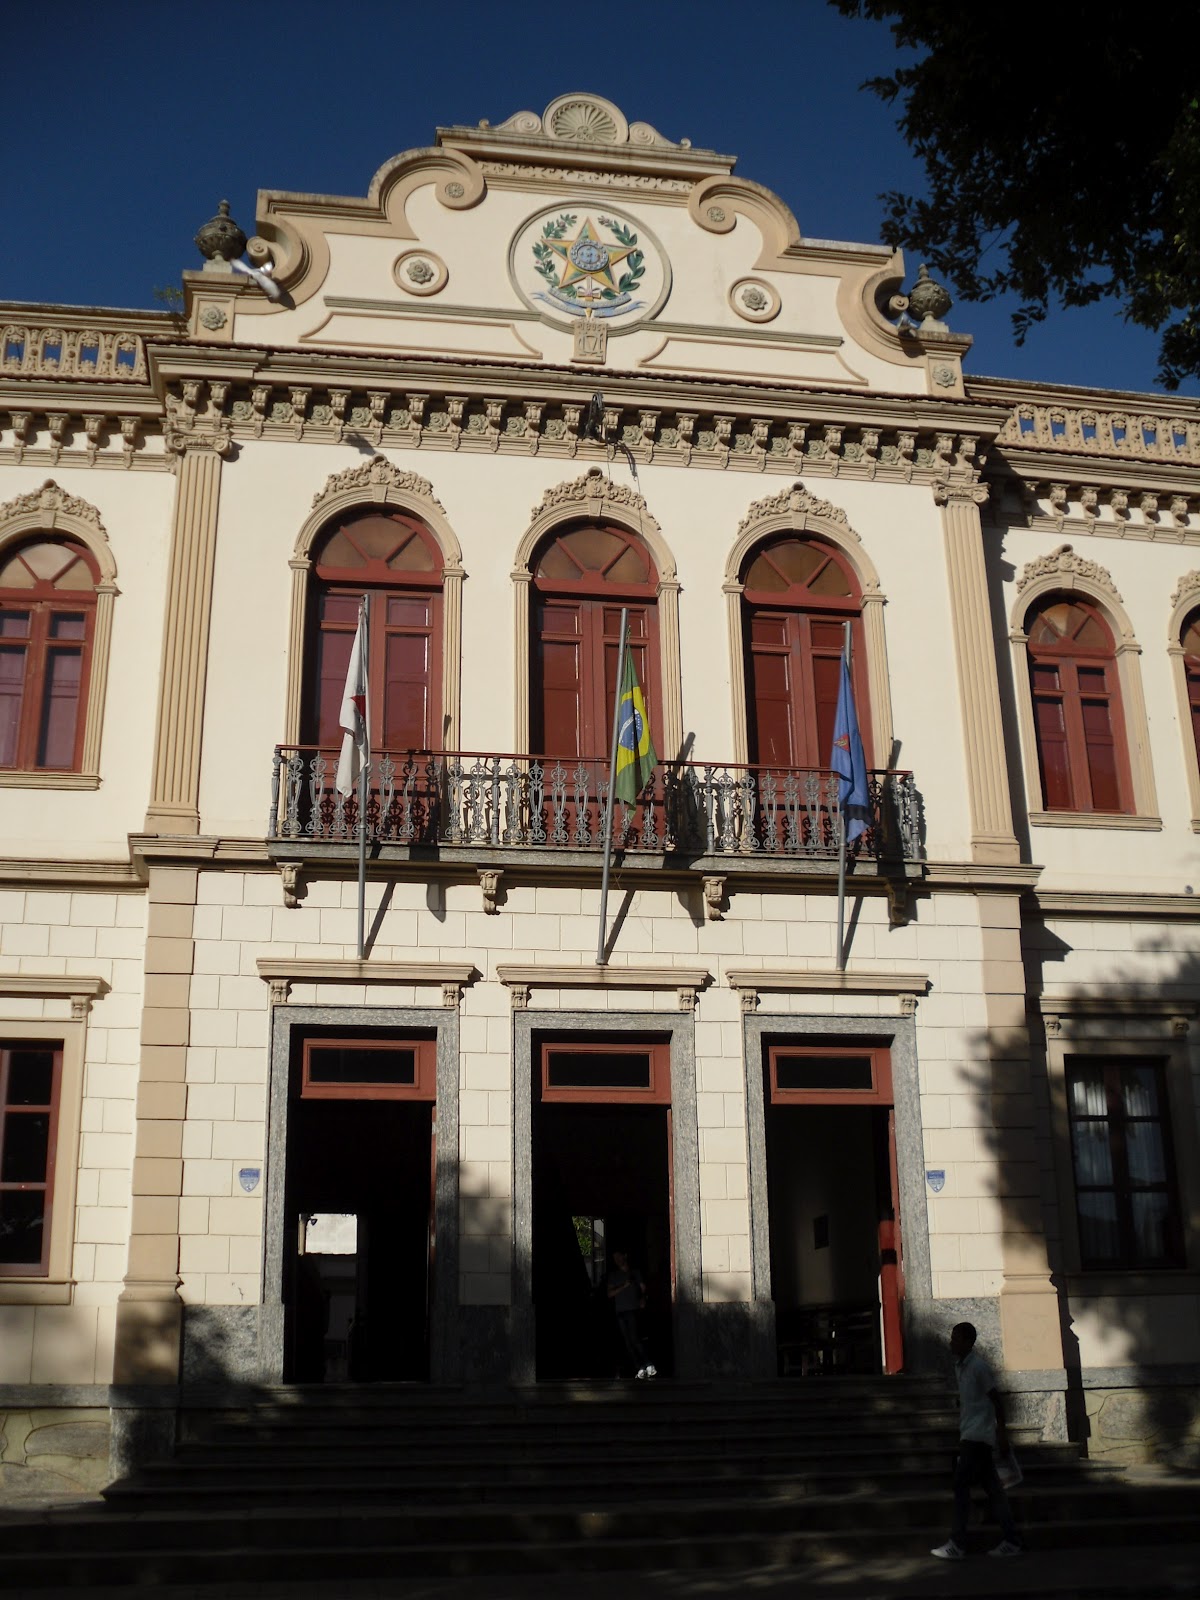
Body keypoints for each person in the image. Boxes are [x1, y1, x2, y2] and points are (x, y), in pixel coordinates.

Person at [931, 1321, 1023, 1560]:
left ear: (969, 1343)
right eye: (952, 1337)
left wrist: (1001, 1433)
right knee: (993, 1489)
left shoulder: (979, 1367)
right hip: (969, 1432)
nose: (951, 1342)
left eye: (956, 1338)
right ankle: (1012, 1539)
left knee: (961, 1485)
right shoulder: (960, 1367)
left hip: (978, 1436)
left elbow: (997, 1401)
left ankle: (958, 1543)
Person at [607, 1248, 656, 1380]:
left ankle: (648, 1364)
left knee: (635, 1339)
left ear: (625, 1256)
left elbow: (644, 1289)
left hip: (632, 1310)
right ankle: (639, 1367)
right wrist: (623, 1286)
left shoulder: (634, 1273)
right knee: (627, 1342)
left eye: (619, 1257)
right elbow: (610, 1294)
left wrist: (643, 1299)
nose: (617, 1260)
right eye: (614, 1258)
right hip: (620, 1311)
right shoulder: (614, 1275)